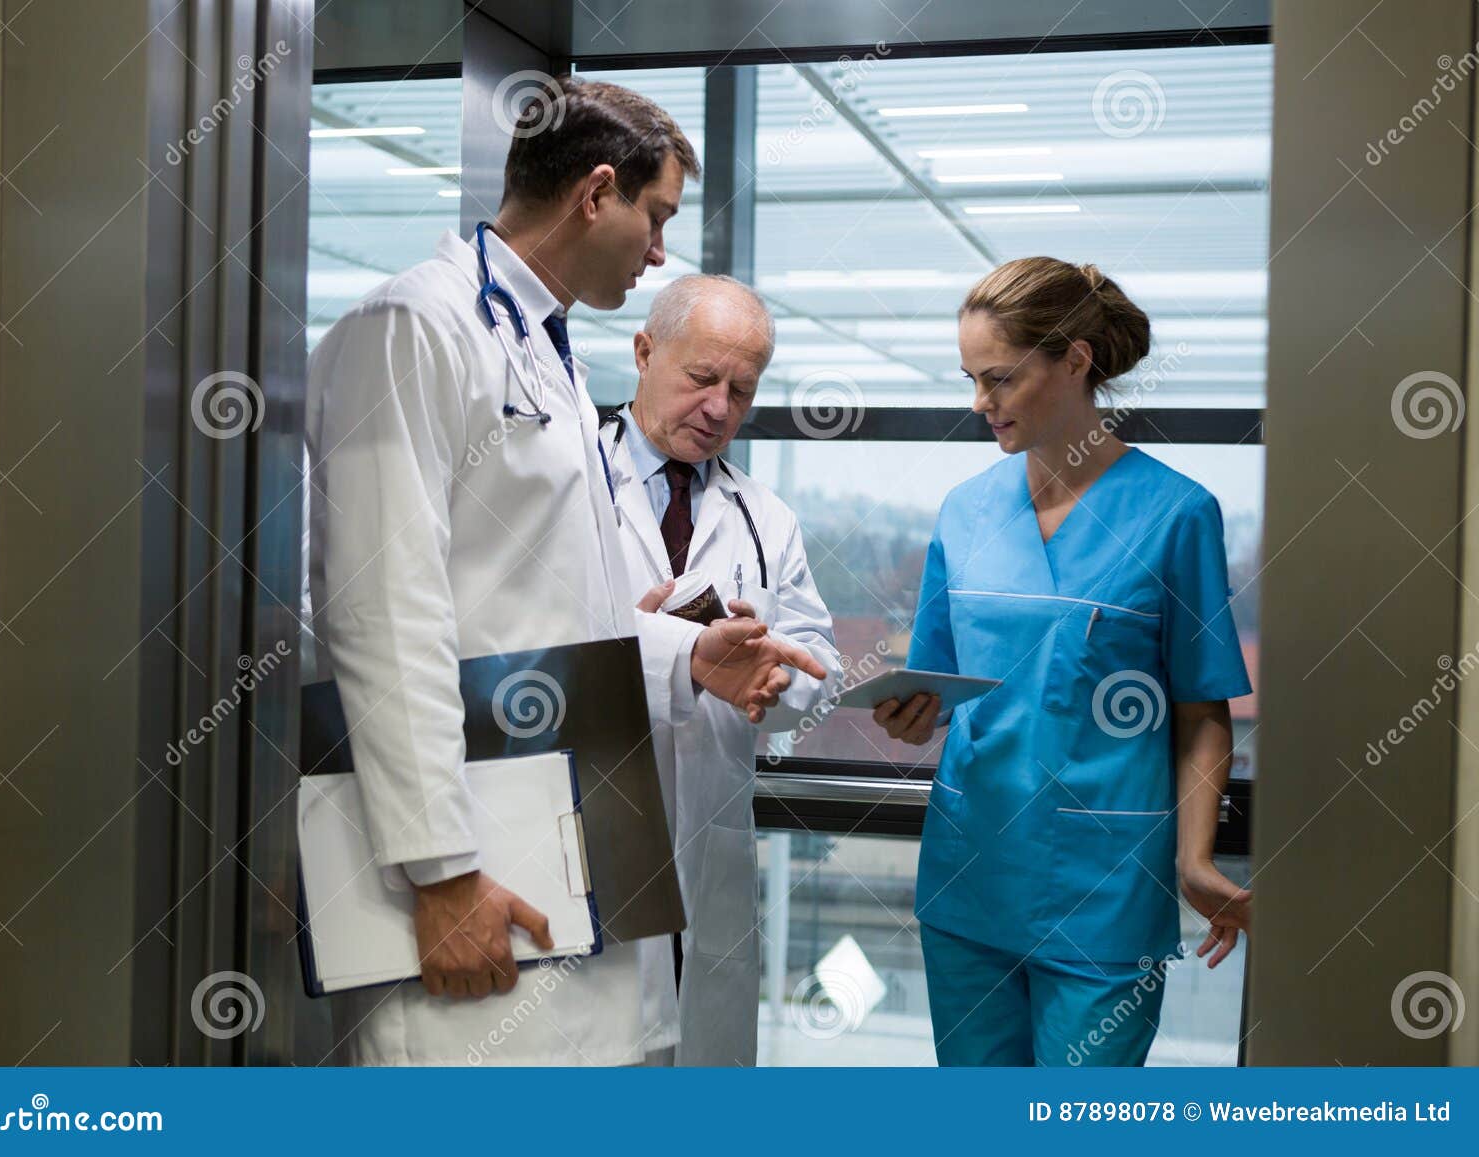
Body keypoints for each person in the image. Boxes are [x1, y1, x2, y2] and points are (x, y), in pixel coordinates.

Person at [304, 77, 826, 1067]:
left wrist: (688, 655)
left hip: (567, 841)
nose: (660, 250)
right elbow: (381, 609)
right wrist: (442, 870)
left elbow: (558, 603)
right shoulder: (417, 326)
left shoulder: (545, 354)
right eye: (656, 216)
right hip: (471, 859)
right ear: (596, 193)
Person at [874, 256, 1253, 1067]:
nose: (981, 403)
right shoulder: (966, 512)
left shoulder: (1177, 514)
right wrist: (908, 717)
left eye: (1001, 379)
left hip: (1104, 891)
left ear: (1075, 359)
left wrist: (1194, 858)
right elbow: (936, 693)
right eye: (972, 379)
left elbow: (1201, 708)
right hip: (968, 879)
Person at [600, 274, 840, 1066]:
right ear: (643, 352)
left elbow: (818, 661)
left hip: (710, 852)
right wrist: (656, 644)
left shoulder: (765, 518)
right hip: (588, 838)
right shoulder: (570, 483)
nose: (719, 408)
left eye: (742, 390)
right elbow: (522, 640)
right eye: (702, 378)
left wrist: (774, 676)